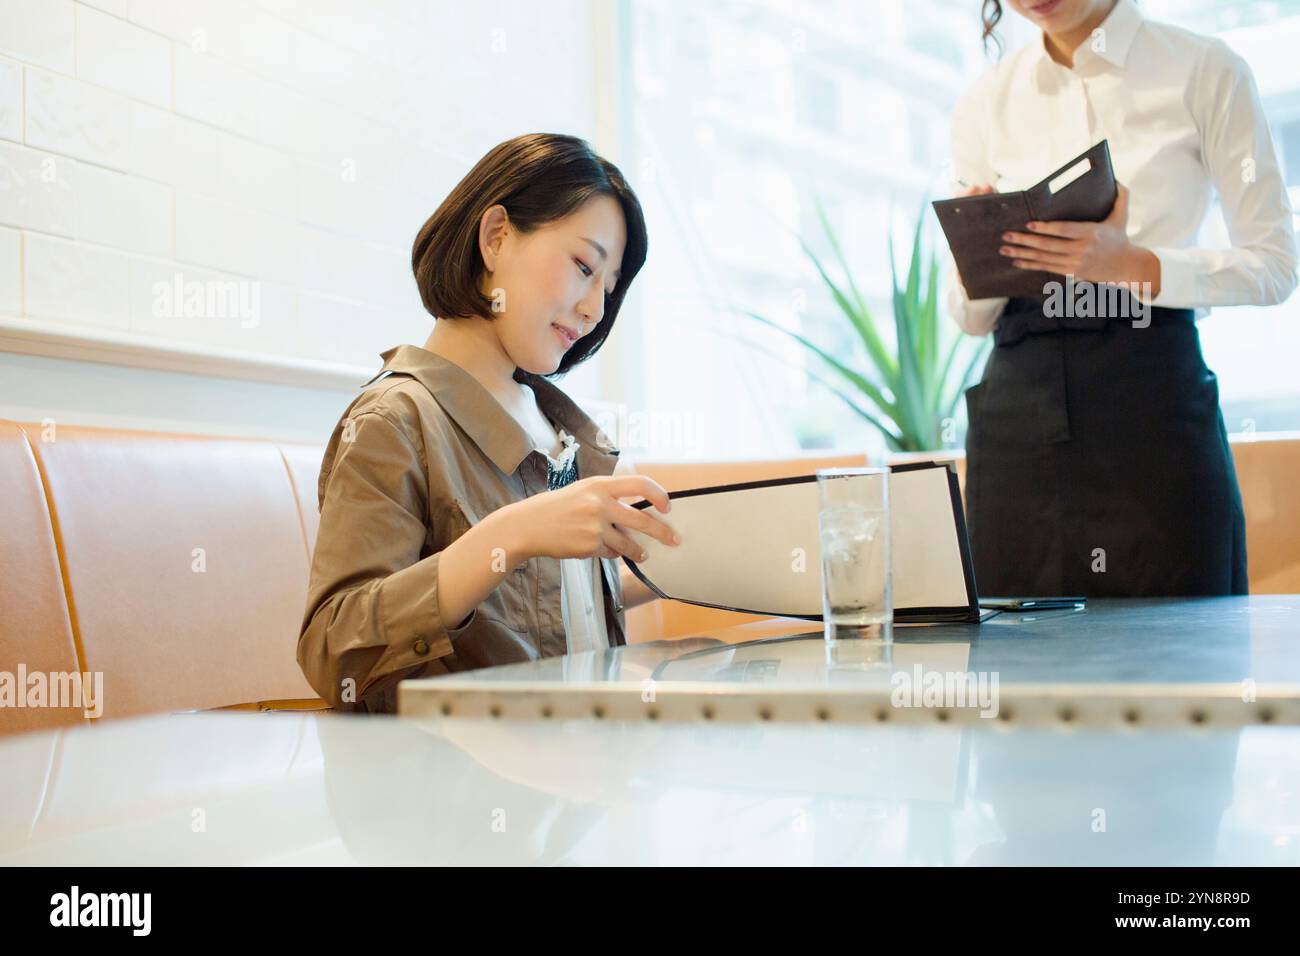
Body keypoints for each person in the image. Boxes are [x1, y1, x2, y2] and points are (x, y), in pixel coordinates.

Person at [299, 133, 680, 712]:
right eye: (583, 266)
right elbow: (334, 652)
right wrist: (512, 534)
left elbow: (543, 609)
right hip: (459, 792)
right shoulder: (395, 423)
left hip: (587, 775)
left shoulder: (569, 435)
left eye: (608, 288)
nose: (595, 309)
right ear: (496, 236)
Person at [948, 0, 1298, 596]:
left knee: (1179, 662)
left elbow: (1275, 265)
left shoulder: (1205, 68)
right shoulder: (986, 99)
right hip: (1017, 419)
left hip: (1150, 405)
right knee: (1021, 672)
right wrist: (981, 256)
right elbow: (970, 318)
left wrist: (1136, 268)